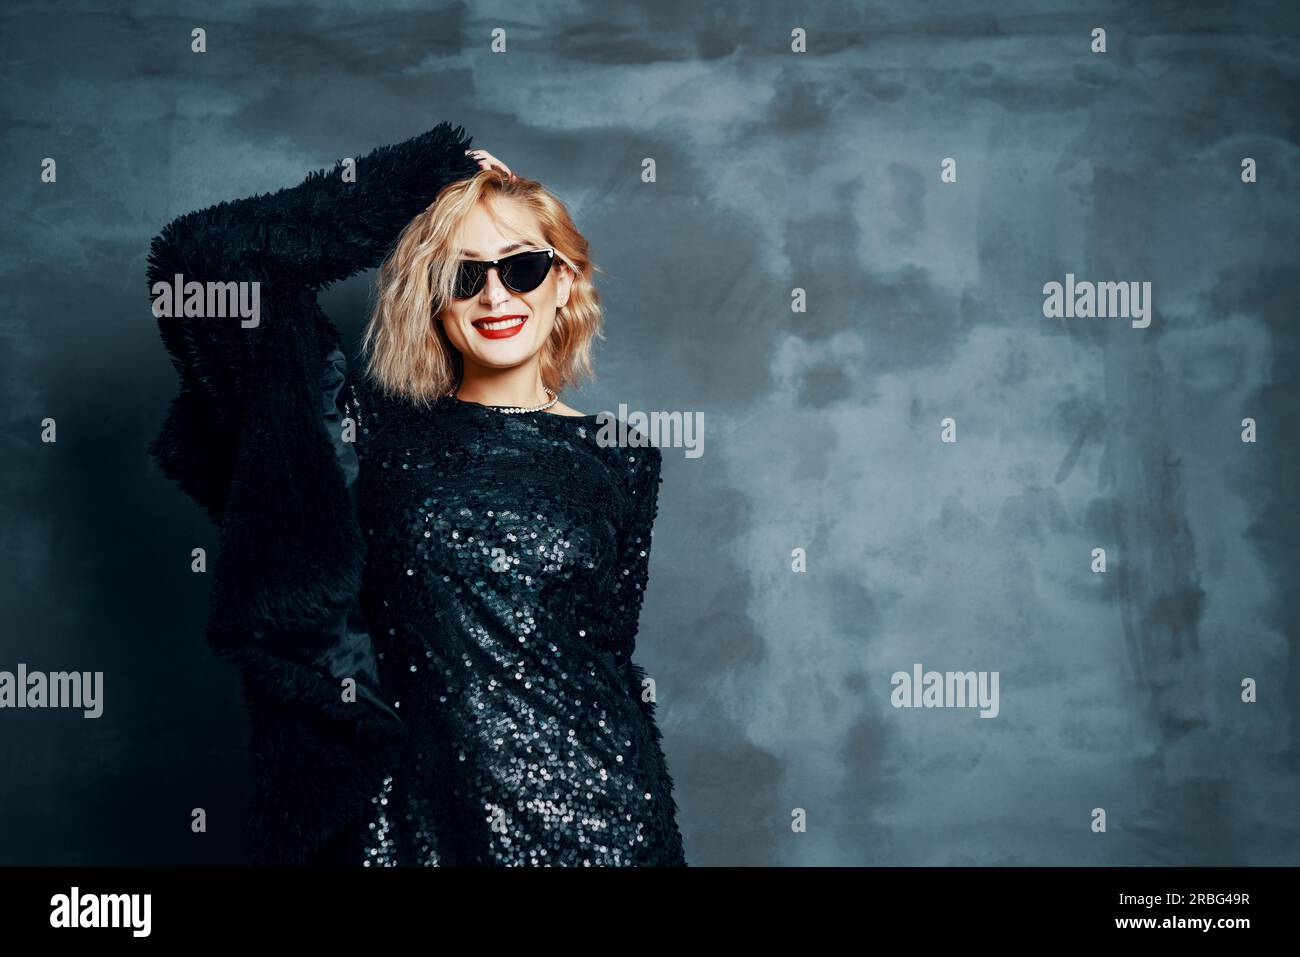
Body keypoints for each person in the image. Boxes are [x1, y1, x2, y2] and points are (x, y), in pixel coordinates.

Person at [146, 122, 687, 866]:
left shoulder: (623, 460)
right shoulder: (369, 431)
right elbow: (203, 263)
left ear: (563, 281)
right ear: (433, 298)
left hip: (606, 822)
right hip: (418, 827)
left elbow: (608, 656)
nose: (495, 293)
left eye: (523, 267)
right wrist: (409, 179)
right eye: (463, 275)